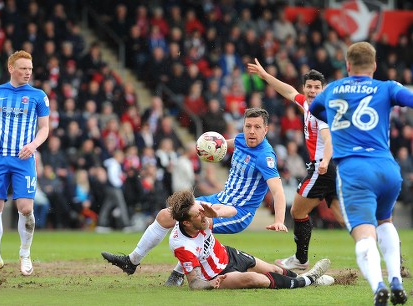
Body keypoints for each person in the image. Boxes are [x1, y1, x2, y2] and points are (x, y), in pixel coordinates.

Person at [101, 108, 289, 286]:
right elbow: (222, 144)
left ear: (266, 129)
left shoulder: (265, 156)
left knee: (194, 224)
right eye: (248, 126)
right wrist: (209, 145)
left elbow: (278, 191)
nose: (252, 131)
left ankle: (178, 274)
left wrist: (279, 220)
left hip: (238, 212)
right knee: (166, 215)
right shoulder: (241, 140)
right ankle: (132, 261)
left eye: (257, 127)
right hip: (220, 199)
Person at [309, 41, 410, 306]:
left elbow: (313, 109)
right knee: (385, 222)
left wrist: (341, 120)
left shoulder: (332, 89)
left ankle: (378, 285)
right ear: (374, 65)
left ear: (348, 65)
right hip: (388, 169)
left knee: (364, 234)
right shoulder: (387, 87)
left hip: (355, 170)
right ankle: (396, 280)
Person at [247, 60, 344, 270]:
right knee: (344, 217)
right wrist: (265, 76)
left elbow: (329, 139)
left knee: (297, 212)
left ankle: (300, 260)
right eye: (309, 86)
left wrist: (325, 161)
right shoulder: (307, 104)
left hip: (323, 167)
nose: (312, 90)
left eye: (317, 87)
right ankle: (382, 240)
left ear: (323, 89)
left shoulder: (322, 111)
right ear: (304, 88)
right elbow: (288, 91)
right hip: (330, 168)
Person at [0, 50, 50, 278]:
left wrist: (33, 145)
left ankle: (25, 253)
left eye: (30, 68)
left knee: (26, 208)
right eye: (23, 68)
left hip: (23, 158)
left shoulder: (38, 95)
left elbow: (45, 128)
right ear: (11, 68)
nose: (28, 72)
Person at [167, 190, 333, 290]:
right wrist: (210, 284)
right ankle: (309, 280)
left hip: (228, 254)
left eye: (201, 211)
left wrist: (217, 214)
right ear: (187, 222)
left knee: (273, 269)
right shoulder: (182, 245)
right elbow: (194, 283)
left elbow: (232, 211)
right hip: (217, 275)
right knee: (256, 279)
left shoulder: (199, 209)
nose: (203, 215)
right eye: (198, 215)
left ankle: (306, 279)